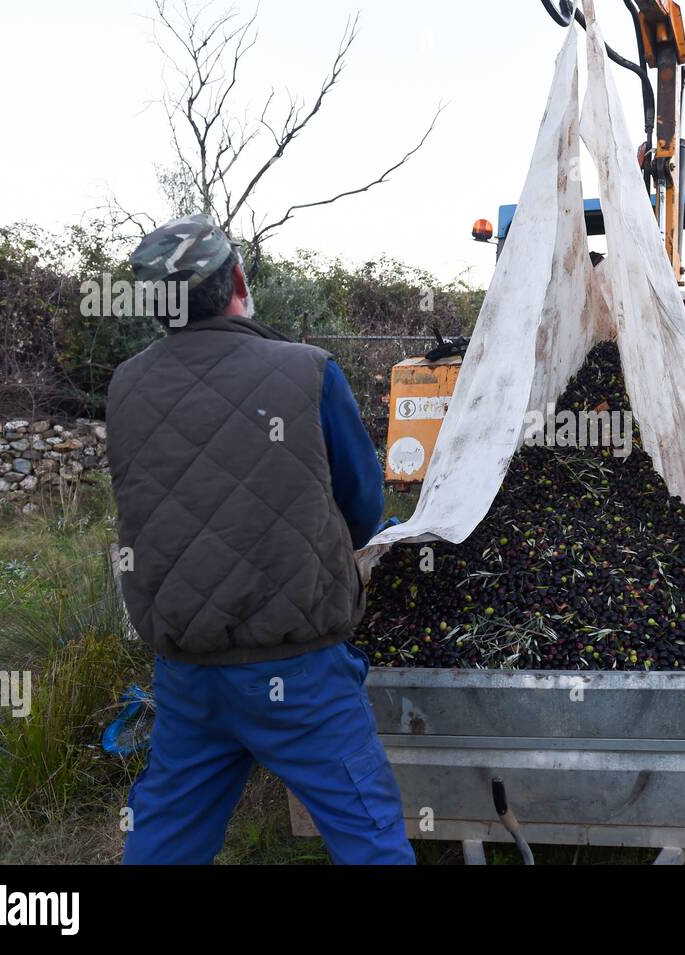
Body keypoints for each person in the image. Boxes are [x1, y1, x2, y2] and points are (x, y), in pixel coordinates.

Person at [109, 214, 415, 864]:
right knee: (371, 837)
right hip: (298, 666)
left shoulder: (125, 386)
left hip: (189, 671)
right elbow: (363, 507)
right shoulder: (307, 370)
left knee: (164, 839)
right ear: (239, 281)